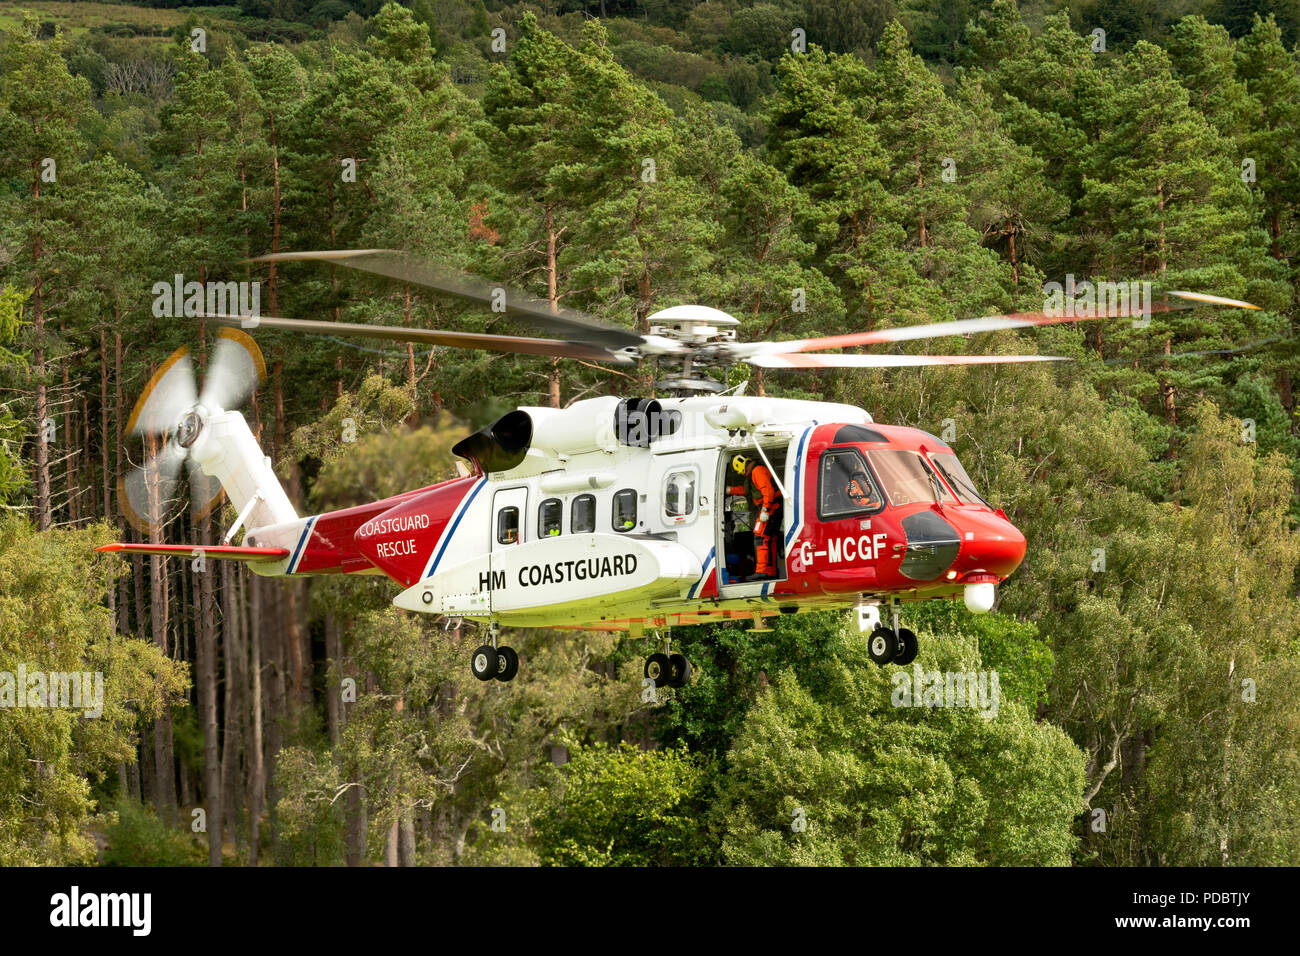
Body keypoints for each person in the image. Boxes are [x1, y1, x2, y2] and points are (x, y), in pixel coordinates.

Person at [728, 453, 782, 579]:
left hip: (770, 507)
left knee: (759, 537)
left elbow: (768, 491)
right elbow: (748, 491)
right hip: (772, 507)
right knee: (769, 540)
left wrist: (765, 510)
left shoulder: (757, 471)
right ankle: (770, 571)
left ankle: (762, 571)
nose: (740, 473)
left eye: (738, 471)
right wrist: (730, 490)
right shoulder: (753, 472)